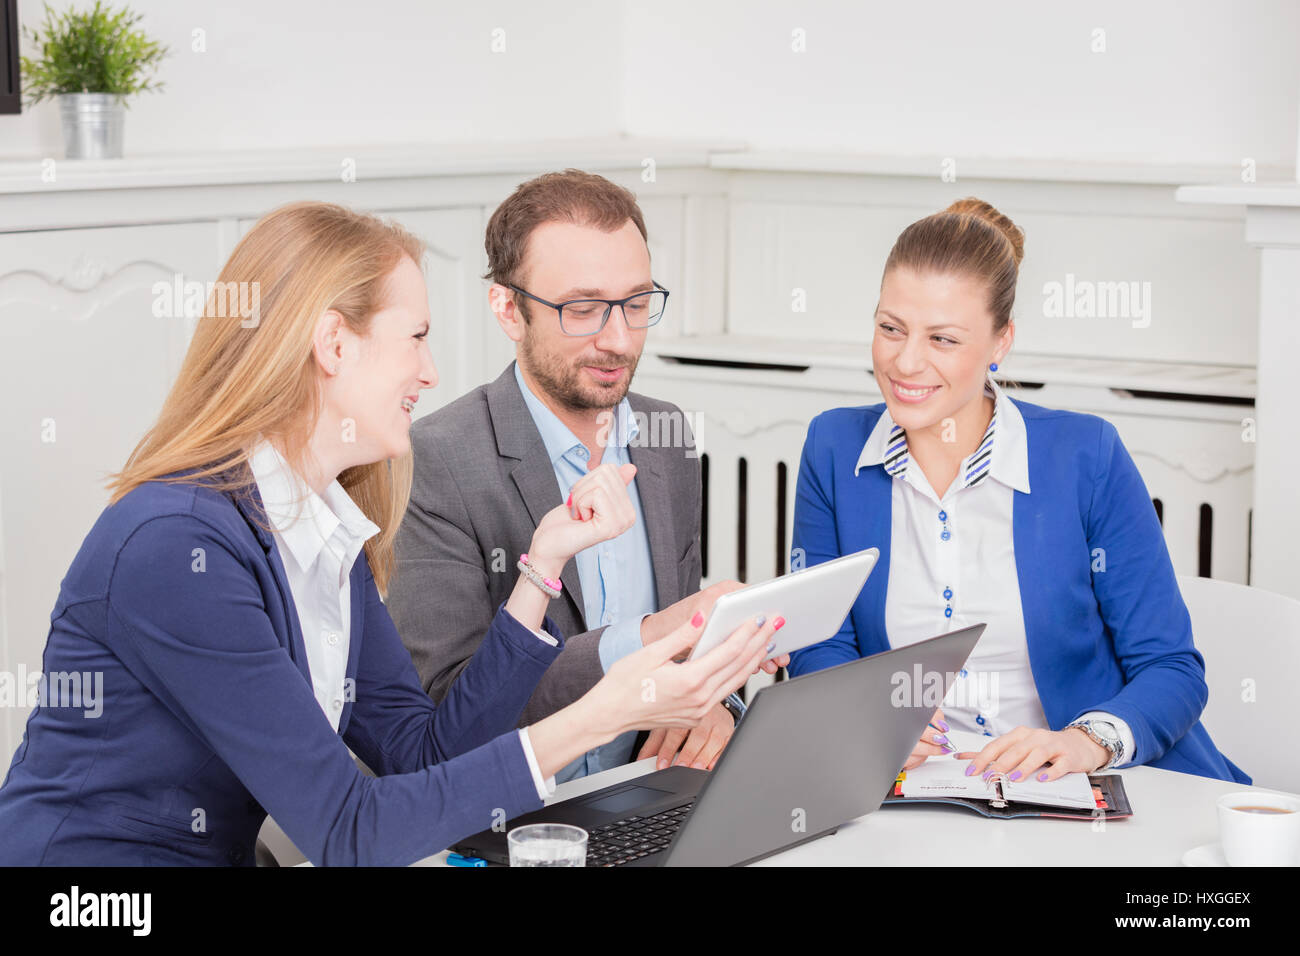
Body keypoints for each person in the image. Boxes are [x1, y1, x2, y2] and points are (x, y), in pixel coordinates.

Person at [0, 200, 778, 866]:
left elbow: (423, 752)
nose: (432, 372)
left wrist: (540, 573)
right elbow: (349, 831)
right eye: (416, 338)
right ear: (334, 345)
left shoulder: (320, 526)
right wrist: (605, 710)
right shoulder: (174, 545)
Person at [788, 197, 1249, 785]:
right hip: (916, 792)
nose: (905, 362)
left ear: (1000, 342)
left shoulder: (1087, 456)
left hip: (1085, 793)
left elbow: (1170, 668)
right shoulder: (833, 449)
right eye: (890, 328)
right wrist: (862, 718)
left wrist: (1087, 742)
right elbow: (819, 642)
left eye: (943, 340)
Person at [389, 170, 785, 782]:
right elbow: (450, 714)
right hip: (520, 821)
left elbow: (692, 651)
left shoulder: (666, 435)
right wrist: (654, 633)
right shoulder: (436, 460)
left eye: (635, 302)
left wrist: (714, 706)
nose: (619, 339)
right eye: (583, 308)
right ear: (508, 310)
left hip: (653, 794)